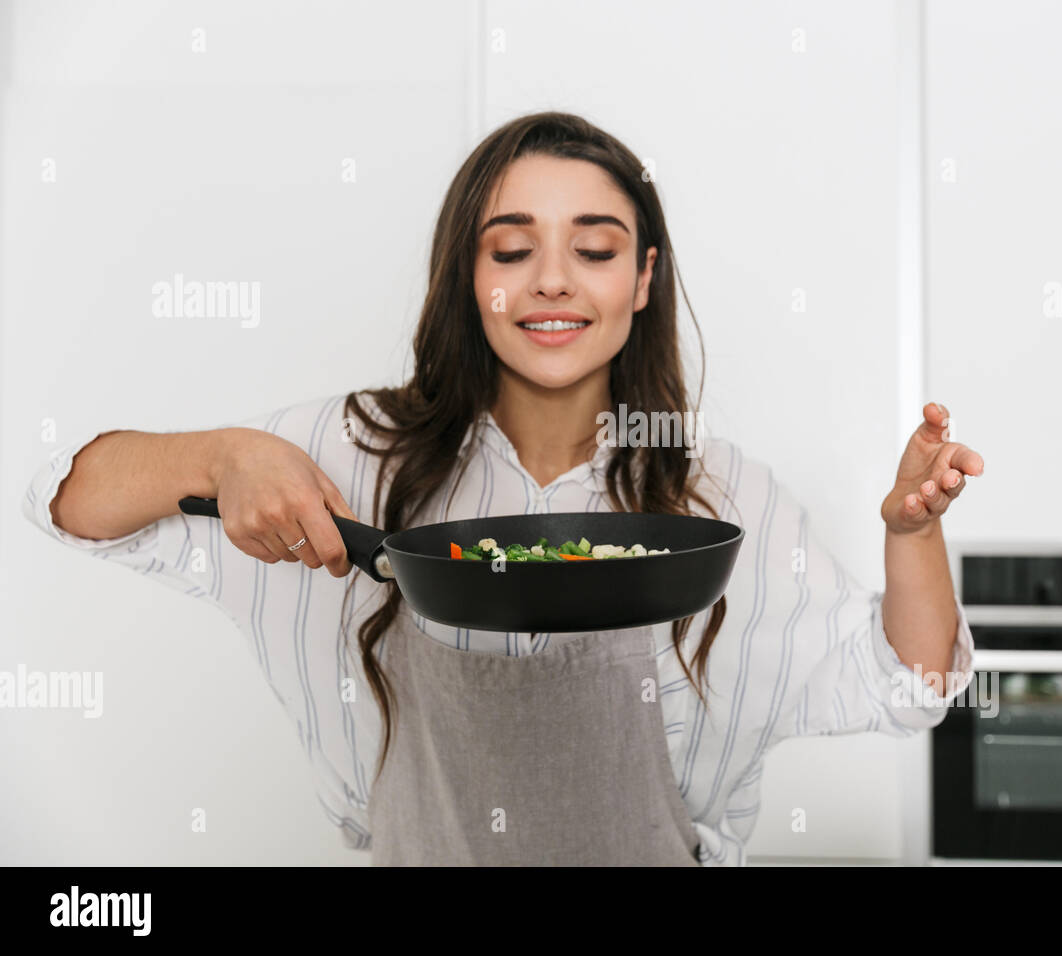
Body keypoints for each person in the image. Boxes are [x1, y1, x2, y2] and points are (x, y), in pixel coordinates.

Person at [21, 111, 983, 866]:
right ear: (465, 272)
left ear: (643, 278)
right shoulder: (345, 455)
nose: (552, 282)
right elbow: (62, 504)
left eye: (595, 250)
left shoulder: (726, 499)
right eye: (512, 250)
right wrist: (217, 457)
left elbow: (914, 687)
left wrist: (910, 534)